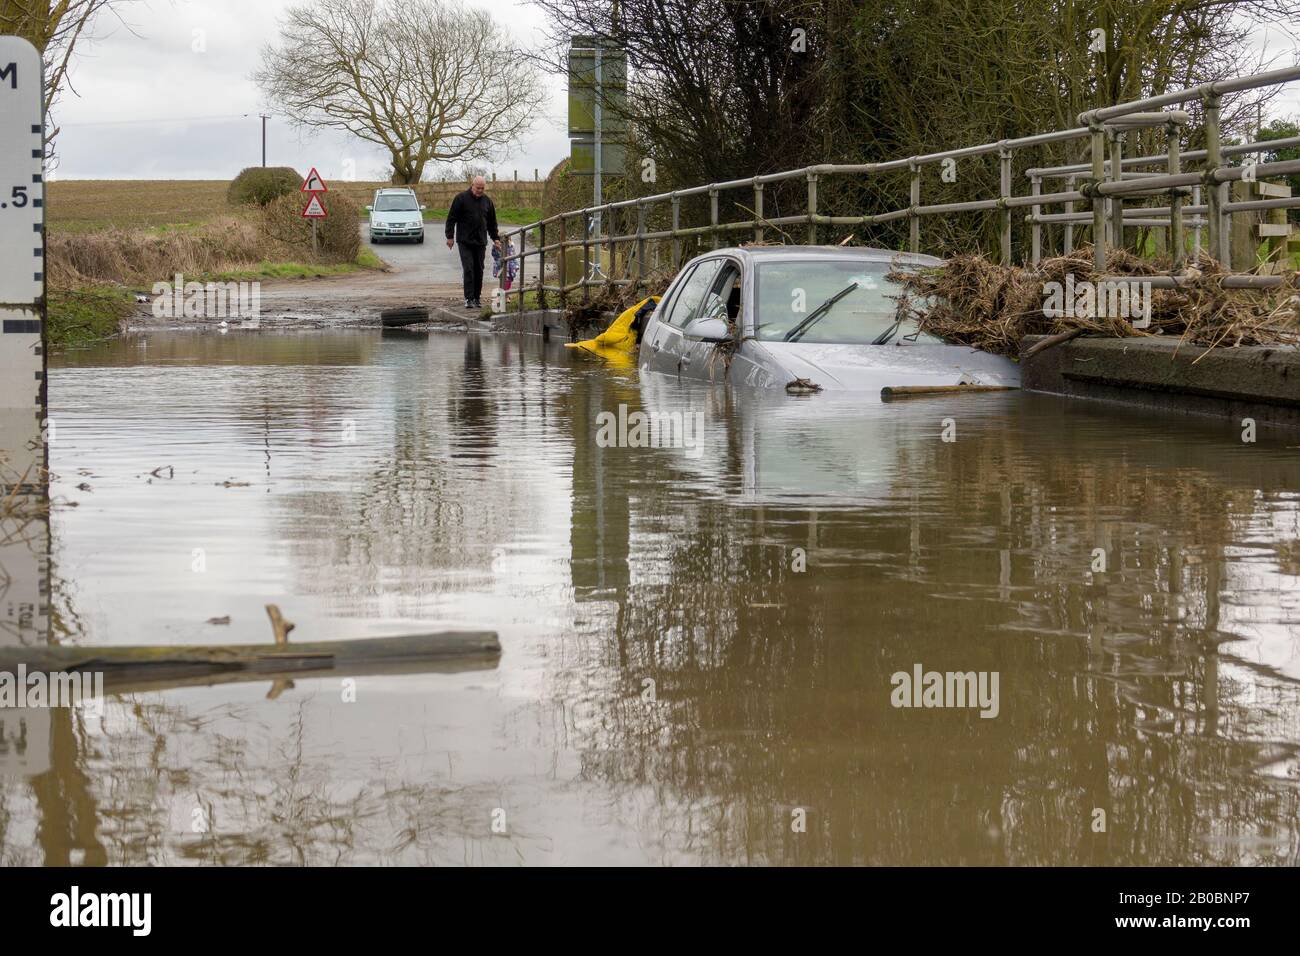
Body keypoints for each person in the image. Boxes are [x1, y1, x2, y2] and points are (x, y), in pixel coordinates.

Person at [445, 175, 501, 309]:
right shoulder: (461, 199)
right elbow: (451, 219)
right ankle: (468, 298)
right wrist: (450, 236)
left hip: (480, 241)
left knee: (479, 270)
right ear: (472, 185)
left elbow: (492, 223)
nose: (480, 191)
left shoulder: (487, 201)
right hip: (465, 240)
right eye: (478, 188)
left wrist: (496, 239)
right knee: (469, 268)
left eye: (482, 188)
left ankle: (477, 297)